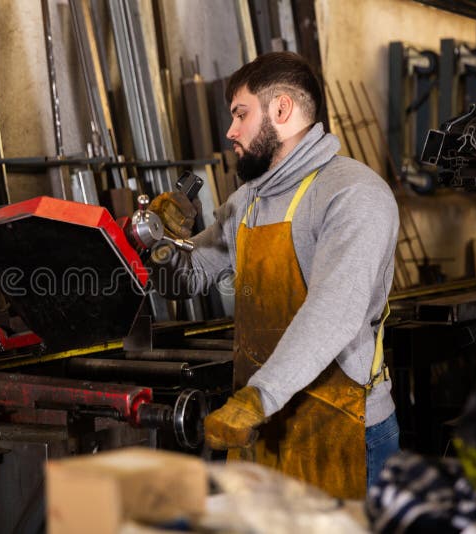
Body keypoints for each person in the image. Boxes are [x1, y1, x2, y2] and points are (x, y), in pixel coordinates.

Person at [148, 51, 400, 499]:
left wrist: (256, 398)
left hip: (339, 428)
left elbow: (334, 312)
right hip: (260, 427)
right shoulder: (246, 202)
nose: (230, 132)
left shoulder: (353, 194)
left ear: (281, 109)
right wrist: (162, 245)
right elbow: (184, 282)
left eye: (240, 114)